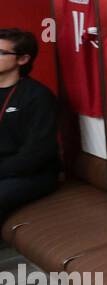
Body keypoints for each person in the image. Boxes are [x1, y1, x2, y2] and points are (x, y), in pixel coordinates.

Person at [0, 28, 61, 227]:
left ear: (23, 59)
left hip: (33, 174)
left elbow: (37, 155)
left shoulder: (38, 96)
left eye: (1, 53)